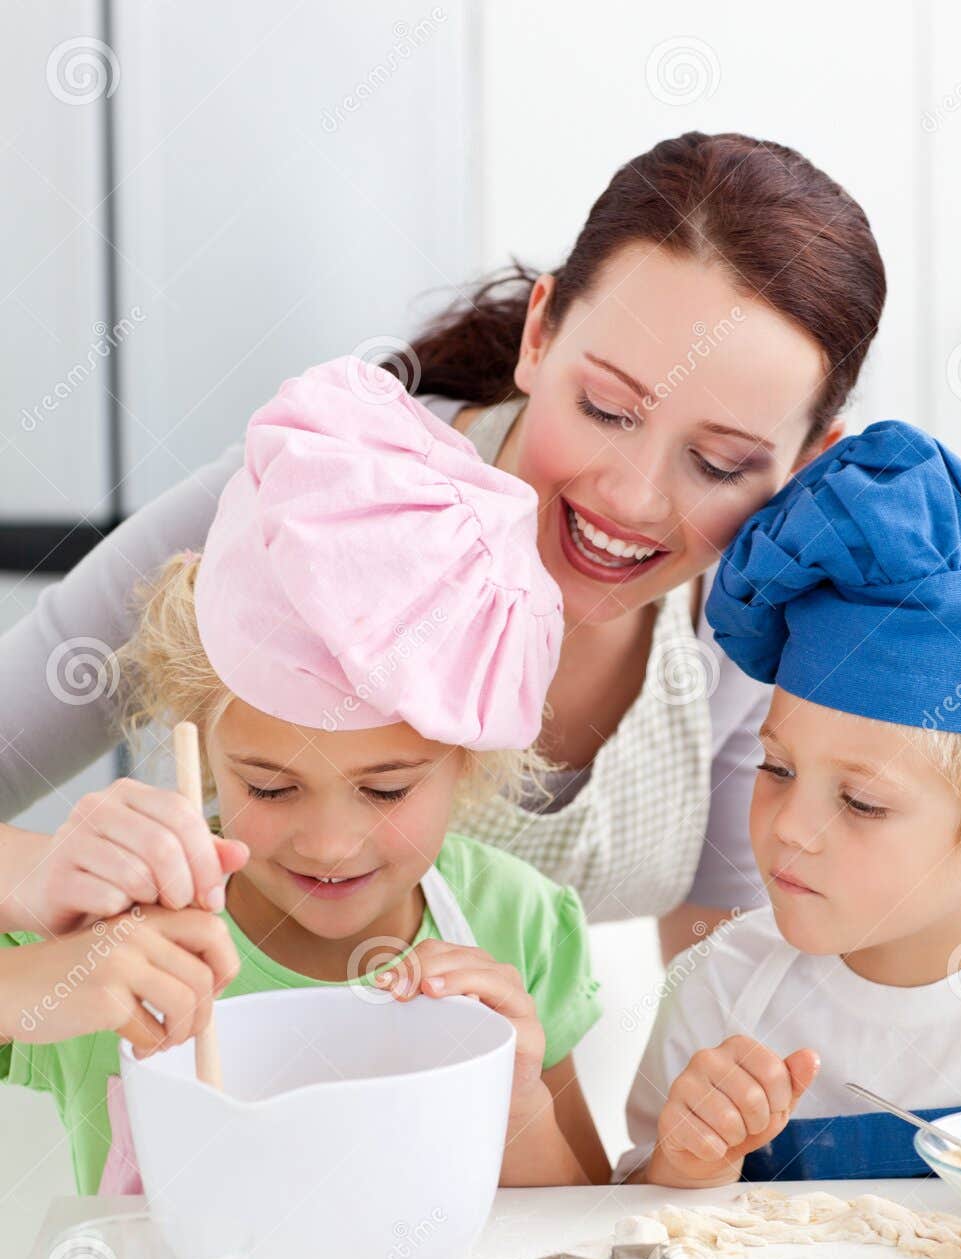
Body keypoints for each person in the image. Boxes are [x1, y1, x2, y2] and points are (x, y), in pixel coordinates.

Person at [0, 132, 887, 956]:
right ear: (540, 336)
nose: (632, 497)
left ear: (809, 462)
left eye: (718, 462)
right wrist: (38, 874)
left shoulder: (742, 628)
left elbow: (720, 982)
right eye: (606, 410)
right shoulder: (315, 505)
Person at [0, 360, 606, 1195]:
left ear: (469, 758)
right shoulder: (106, 929)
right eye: (270, 787)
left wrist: (513, 1103)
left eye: (387, 789)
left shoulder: (520, 928)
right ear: (200, 741)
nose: (328, 843)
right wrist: (27, 983)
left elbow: (587, 1226)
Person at [620, 420, 961, 1185]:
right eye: (776, 767)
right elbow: (641, 1228)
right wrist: (686, 1163)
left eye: (859, 803)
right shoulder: (718, 989)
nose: (790, 828)